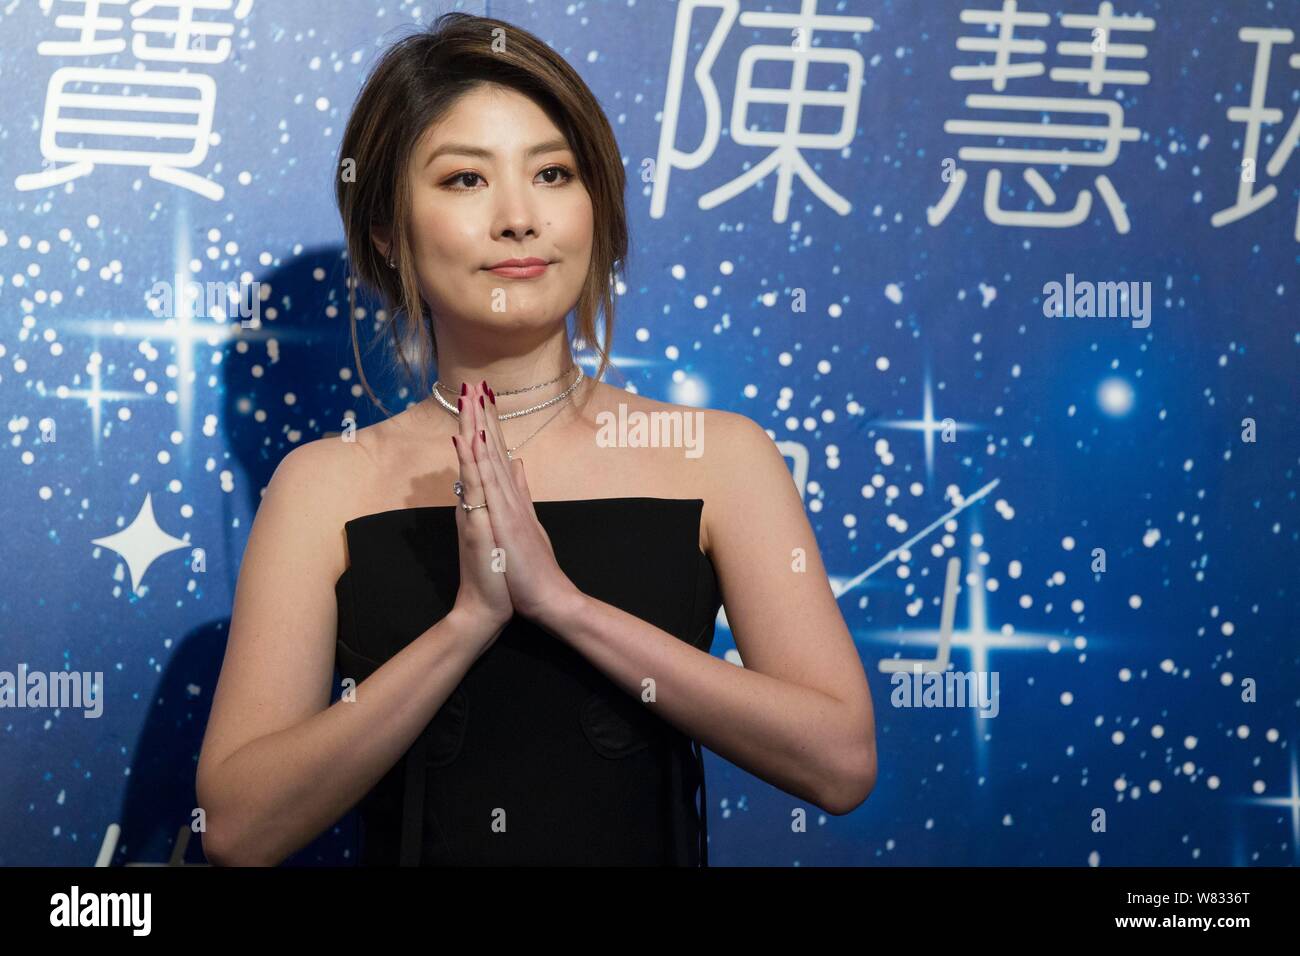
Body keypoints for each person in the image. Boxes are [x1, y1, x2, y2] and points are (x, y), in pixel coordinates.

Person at [195, 12, 876, 866]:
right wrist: (468, 622)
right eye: (464, 181)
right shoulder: (325, 484)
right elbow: (238, 829)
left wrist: (565, 605)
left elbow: (841, 763)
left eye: (553, 172)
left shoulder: (720, 455)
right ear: (386, 235)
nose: (519, 219)